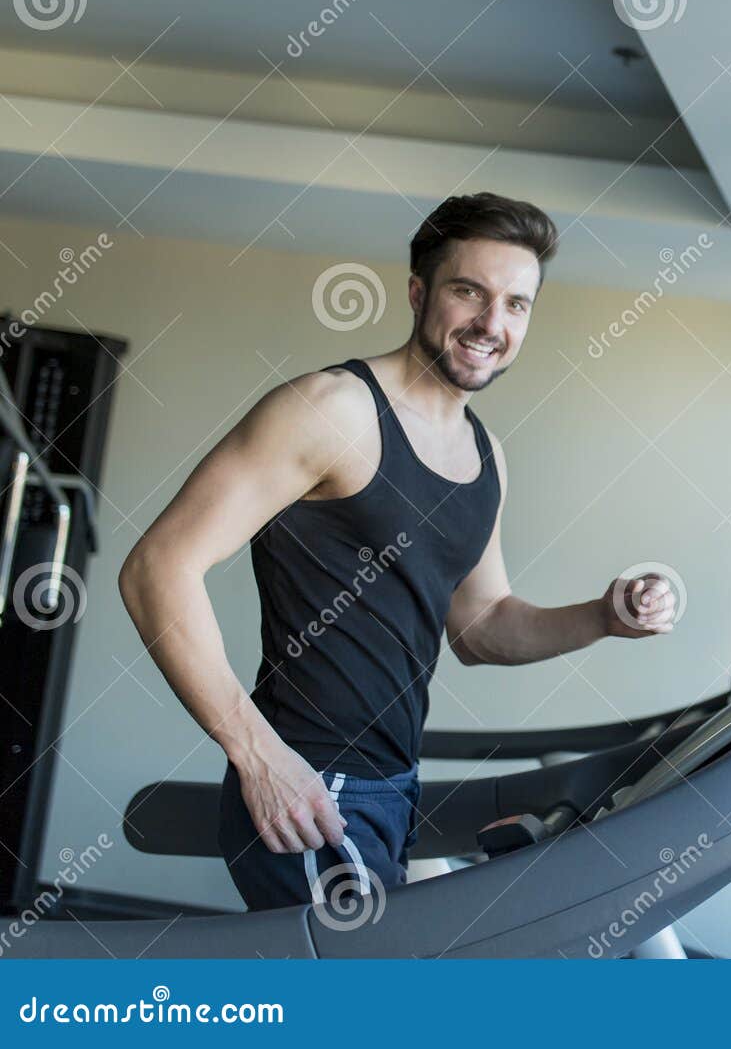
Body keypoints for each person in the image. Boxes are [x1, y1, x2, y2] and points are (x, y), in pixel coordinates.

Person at [118, 192, 676, 910]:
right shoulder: (332, 410)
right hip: (314, 776)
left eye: (516, 304)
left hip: (394, 786)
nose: (491, 323)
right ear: (419, 292)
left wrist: (603, 616)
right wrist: (257, 756)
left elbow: (482, 626)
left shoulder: (485, 456)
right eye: (468, 292)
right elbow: (157, 567)